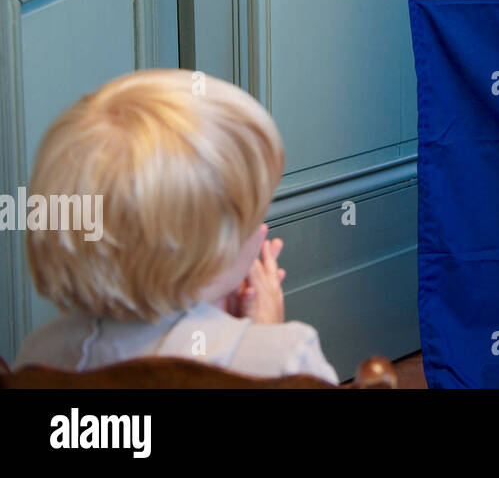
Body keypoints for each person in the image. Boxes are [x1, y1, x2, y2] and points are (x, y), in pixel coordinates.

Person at [15, 69, 338, 384]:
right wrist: (266, 336)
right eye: (256, 216)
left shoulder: (41, 355)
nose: (263, 227)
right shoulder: (287, 360)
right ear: (216, 253)